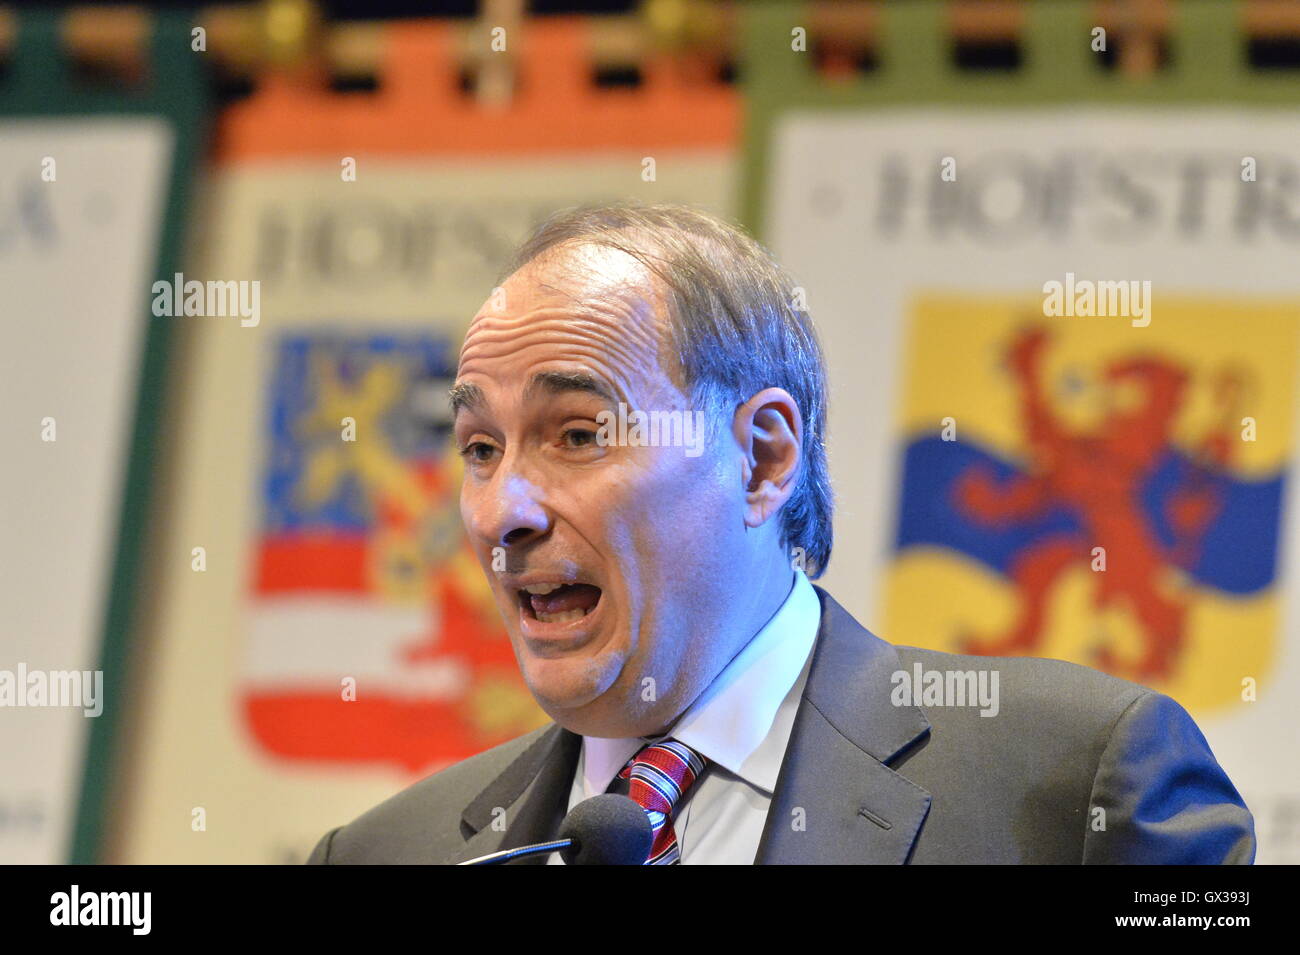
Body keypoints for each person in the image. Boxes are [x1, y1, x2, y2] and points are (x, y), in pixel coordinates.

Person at [307, 203, 1254, 865]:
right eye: (479, 446)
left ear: (762, 458)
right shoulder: (387, 854)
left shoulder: (1076, 786)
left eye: (580, 434)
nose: (501, 510)